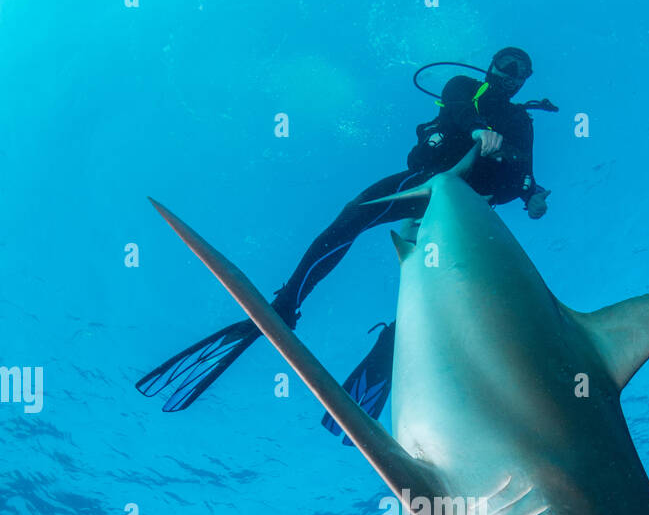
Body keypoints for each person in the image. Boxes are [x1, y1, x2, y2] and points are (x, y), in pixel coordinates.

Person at [136, 47, 553, 428]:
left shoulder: (521, 120)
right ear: (491, 65)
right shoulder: (464, 86)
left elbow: (526, 172)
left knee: (444, 280)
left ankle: (398, 338)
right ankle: (287, 303)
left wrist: (533, 196)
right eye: (506, 64)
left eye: (522, 71)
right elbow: (461, 110)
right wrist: (480, 131)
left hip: (469, 207)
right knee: (353, 215)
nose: (512, 75)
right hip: (430, 184)